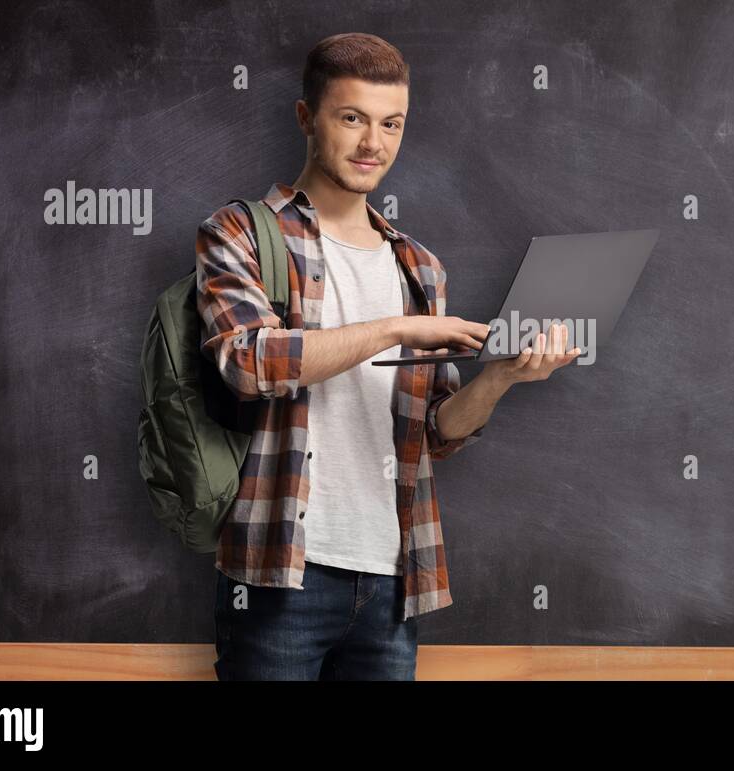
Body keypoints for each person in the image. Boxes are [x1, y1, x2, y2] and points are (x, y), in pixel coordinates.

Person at [198, 32, 579, 680]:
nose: (374, 143)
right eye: (352, 118)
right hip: (278, 575)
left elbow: (435, 431)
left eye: (391, 123)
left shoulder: (419, 267)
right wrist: (397, 327)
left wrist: (503, 378)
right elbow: (248, 362)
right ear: (306, 118)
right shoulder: (241, 232)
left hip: (392, 580)